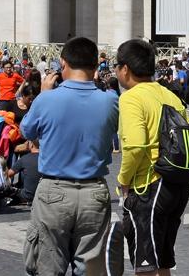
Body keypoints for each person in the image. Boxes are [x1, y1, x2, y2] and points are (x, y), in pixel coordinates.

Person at [20, 37, 119, 276]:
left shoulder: (47, 99)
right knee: (91, 269)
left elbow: (27, 131)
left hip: (54, 189)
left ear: (63, 63)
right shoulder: (110, 101)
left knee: (48, 266)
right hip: (94, 192)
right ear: (96, 67)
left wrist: (43, 94)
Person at [115, 39, 189, 276]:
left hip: (149, 185)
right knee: (163, 261)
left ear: (125, 68)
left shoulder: (131, 98)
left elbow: (136, 146)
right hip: (177, 185)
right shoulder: (169, 95)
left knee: (145, 264)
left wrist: (123, 180)